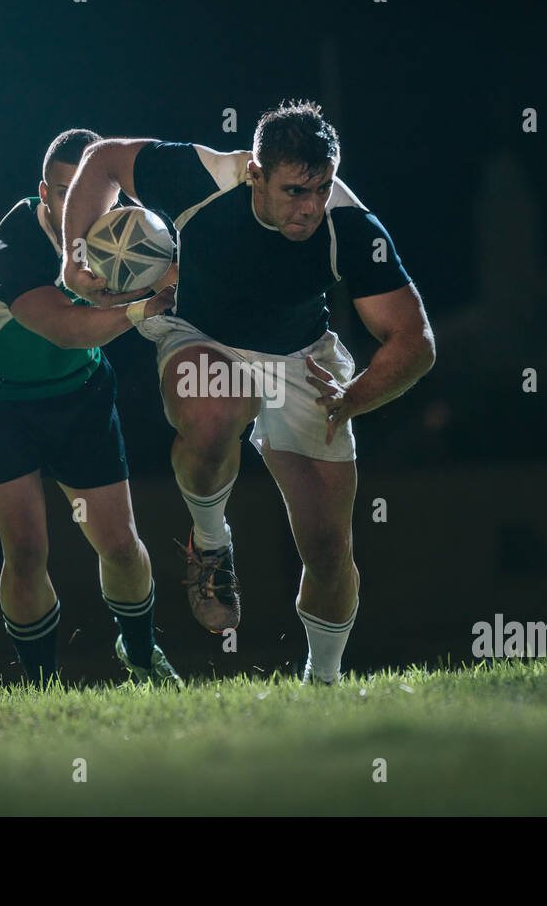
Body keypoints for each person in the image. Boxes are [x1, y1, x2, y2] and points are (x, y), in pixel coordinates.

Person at [60, 101, 435, 684]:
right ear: (254, 174)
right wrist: (74, 252)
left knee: (328, 548)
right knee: (215, 411)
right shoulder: (203, 178)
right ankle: (211, 545)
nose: (309, 206)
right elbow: (102, 158)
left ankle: (323, 685)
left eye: (322, 187)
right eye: (293, 191)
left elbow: (415, 341)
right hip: (199, 332)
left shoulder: (351, 226)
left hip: (299, 360)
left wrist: (354, 397)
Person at [0, 128, 181, 688]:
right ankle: (42, 689)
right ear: (46, 196)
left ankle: (142, 659)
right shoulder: (14, 251)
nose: (86, 213)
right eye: (69, 196)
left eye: (96, 195)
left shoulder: (131, 235)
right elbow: (69, 329)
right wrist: (147, 307)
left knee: (120, 545)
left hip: (76, 392)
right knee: (25, 548)